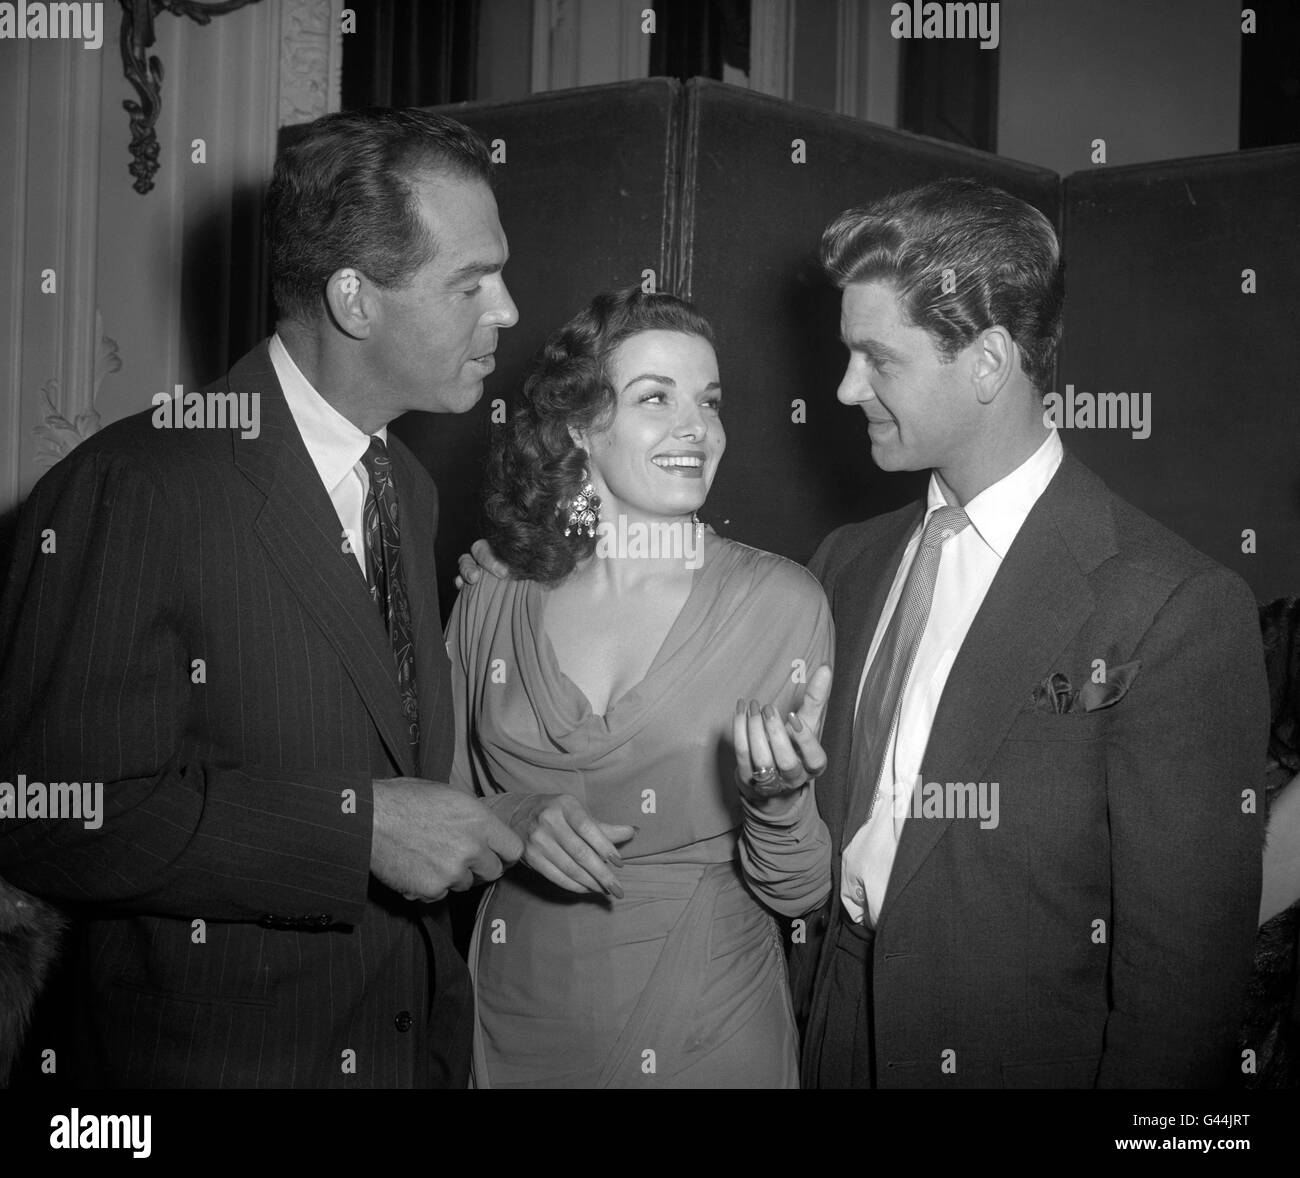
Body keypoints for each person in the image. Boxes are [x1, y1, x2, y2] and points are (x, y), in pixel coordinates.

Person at [0, 108, 524, 1088]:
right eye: (471, 282)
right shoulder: (135, 486)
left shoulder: (405, 483)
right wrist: (356, 827)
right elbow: (41, 812)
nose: (506, 310)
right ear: (354, 301)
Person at [743, 178, 1269, 1088]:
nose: (843, 388)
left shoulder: (1174, 608)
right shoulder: (849, 562)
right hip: (828, 1031)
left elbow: (1184, 993)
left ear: (987, 362)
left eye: (877, 358)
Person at [447, 288, 833, 1088]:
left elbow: (799, 893)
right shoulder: (492, 593)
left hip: (705, 1017)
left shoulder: (780, 603)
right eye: (656, 397)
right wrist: (514, 814)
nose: (699, 427)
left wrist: (779, 802)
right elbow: (435, 824)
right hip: (514, 1015)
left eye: (711, 401)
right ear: (582, 426)